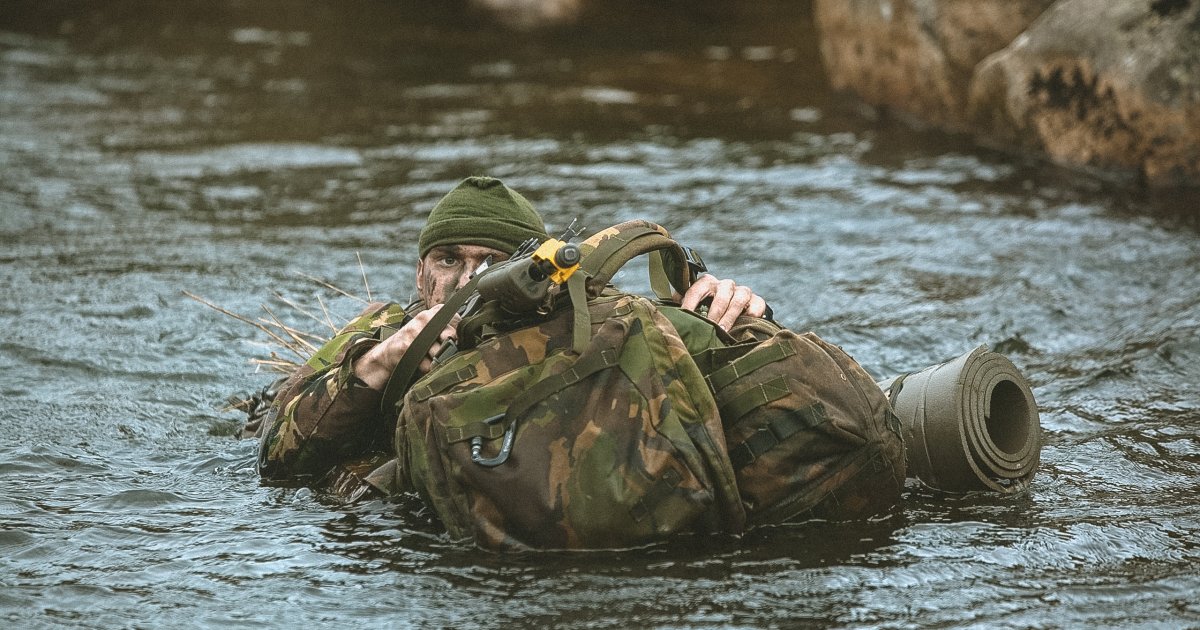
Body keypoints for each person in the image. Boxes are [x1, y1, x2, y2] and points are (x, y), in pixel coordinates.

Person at [252, 176, 768, 496]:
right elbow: (276, 457)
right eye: (448, 259)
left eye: (491, 263)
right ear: (420, 274)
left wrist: (734, 312)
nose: (465, 280)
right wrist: (379, 365)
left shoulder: (576, 326)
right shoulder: (382, 327)